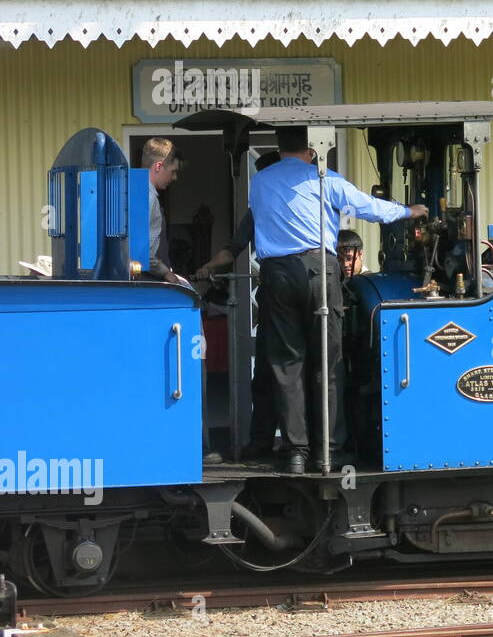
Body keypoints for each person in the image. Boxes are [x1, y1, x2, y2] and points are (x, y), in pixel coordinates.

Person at [251, 127, 427, 474]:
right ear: (311, 149)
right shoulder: (324, 178)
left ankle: (296, 453)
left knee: (287, 365)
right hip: (317, 269)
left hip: (276, 273)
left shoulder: (260, 182)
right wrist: (409, 212)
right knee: (328, 361)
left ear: (280, 147)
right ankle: (329, 450)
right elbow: (368, 207)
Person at [195, 151, 280, 463]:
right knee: (268, 373)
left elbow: (233, 248)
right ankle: (264, 443)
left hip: (286, 293)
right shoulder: (259, 210)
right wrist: (208, 267)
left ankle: (291, 445)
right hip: (274, 295)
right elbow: (233, 247)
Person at [140, 137, 184, 284]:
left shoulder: (136, 191)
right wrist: (166, 273)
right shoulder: (147, 197)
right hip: (147, 281)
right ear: (158, 166)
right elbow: (141, 249)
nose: (175, 177)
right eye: (173, 171)